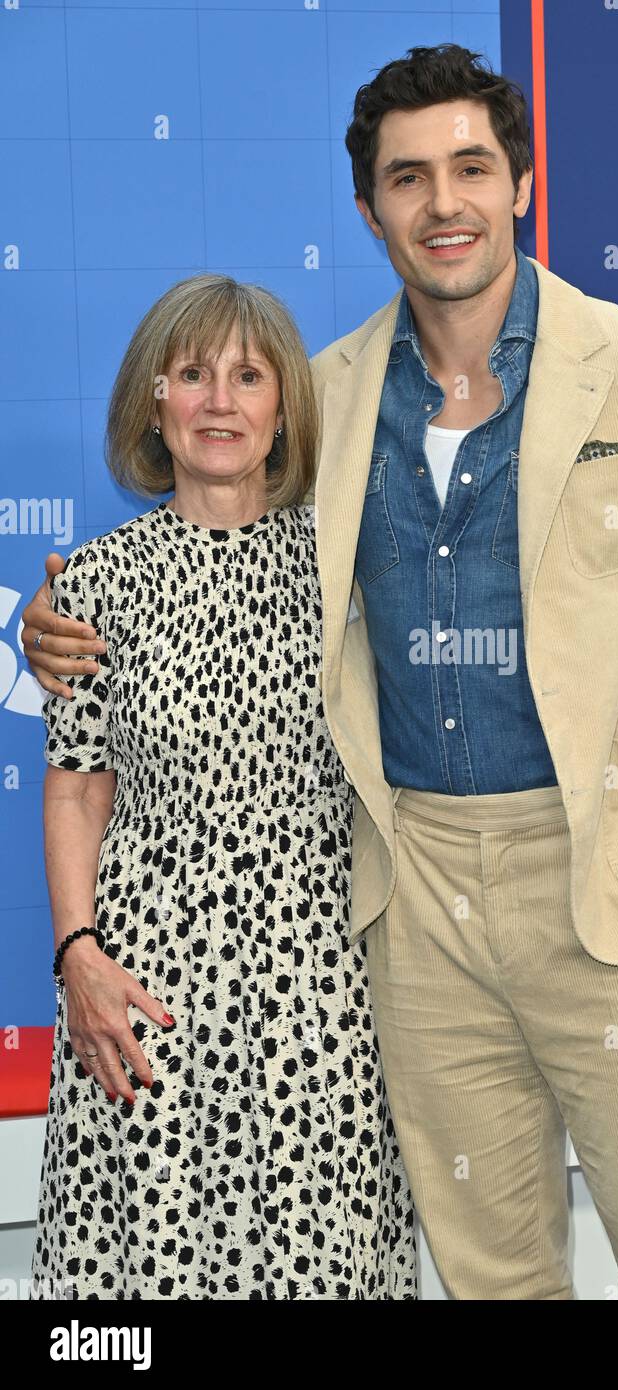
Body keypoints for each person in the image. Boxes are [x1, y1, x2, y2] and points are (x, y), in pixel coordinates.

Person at [23, 41, 618, 1301]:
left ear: (520, 180)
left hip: (611, 878)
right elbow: (215, 561)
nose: (442, 203)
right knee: (491, 1278)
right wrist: (49, 625)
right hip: (412, 908)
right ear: (369, 209)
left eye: (470, 167)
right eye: (408, 179)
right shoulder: (329, 396)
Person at [26, 275, 417, 1300]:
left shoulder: (345, 563)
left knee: (316, 1254)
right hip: (146, 982)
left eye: (247, 377)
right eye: (191, 375)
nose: (218, 403)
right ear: (152, 401)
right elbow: (76, 784)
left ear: (284, 403)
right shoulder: (93, 583)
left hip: (321, 977)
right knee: (156, 1263)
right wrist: (78, 957)